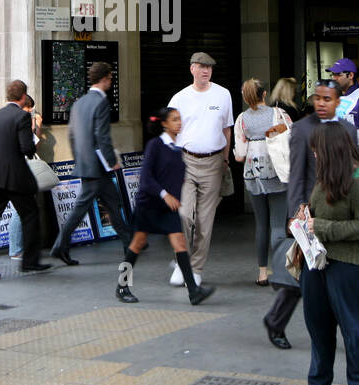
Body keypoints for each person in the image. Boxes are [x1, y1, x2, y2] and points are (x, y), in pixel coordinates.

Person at [263, 81, 359, 349]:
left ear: (338, 101)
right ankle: (276, 320)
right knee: (303, 277)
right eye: (317, 98)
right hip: (309, 215)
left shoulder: (348, 130)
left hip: (340, 215)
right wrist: (296, 213)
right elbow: (296, 176)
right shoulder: (302, 130)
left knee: (344, 277)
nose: (321, 103)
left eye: (327, 99)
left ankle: (357, 335)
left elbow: (355, 170)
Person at [299, 122, 359, 385]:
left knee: (354, 328)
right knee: (318, 327)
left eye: (318, 149)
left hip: (349, 263)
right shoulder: (325, 177)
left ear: (330, 150)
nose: (315, 155)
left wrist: (320, 226)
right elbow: (318, 210)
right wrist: (306, 217)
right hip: (317, 262)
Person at [116, 108, 215, 305]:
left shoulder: (177, 148)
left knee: (180, 244)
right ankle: (122, 286)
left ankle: (193, 291)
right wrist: (165, 195)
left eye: (180, 119)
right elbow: (146, 179)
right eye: (174, 119)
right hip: (149, 205)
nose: (179, 122)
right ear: (164, 123)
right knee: (136, 245)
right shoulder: (155, 145)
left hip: (168, 208)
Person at [0, 79, 50, 282]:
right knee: (30, 214)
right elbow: (26, 148)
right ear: (23, 97)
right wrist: (33, 138)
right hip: (13, 178)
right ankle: (30, 261)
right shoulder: (22, 117)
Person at [166, 51, 234, 286]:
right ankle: (181, 260)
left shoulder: (223, 94)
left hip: (214, 163)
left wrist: (225, 160)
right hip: (185, 161)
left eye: (210, 67)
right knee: (184, 214)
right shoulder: (179, 98)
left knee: (205, 220)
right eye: (201, 66)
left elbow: (227, 130)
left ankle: (195, 268)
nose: (206, 71)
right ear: (192, 69)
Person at [52, 61, 130, 264]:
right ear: (104, 79)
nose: (111, 81)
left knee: (113, 203)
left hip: (88, 164)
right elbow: (102, 135)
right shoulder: (101, 103)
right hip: (98, 166)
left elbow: (71, 135)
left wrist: (81, 160)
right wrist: (112, 161)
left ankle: (129, 243)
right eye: (110, 78)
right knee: (81, 209)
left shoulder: (79, 103)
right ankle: (60, 246)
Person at [234, 78, 291, 286]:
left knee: (261, 224)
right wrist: (268, 134)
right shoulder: (278, 114)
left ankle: (261, 272)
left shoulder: (242, 119)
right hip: (276, 170)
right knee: (278, 224)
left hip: (252, 173)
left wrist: (252, 139)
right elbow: (287, 137)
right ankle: (279, 271)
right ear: (264, 94)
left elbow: (239, 156)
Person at [6, 94, 43, 262]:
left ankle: (20, 248)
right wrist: (38, 126)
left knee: (20, 210)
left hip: (11, 169)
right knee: (19, 211)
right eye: (29, 108)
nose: (30, 111)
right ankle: (16, 249)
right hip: (23, 168)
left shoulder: (9, 120)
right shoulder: (23, 121)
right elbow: (33, 146)